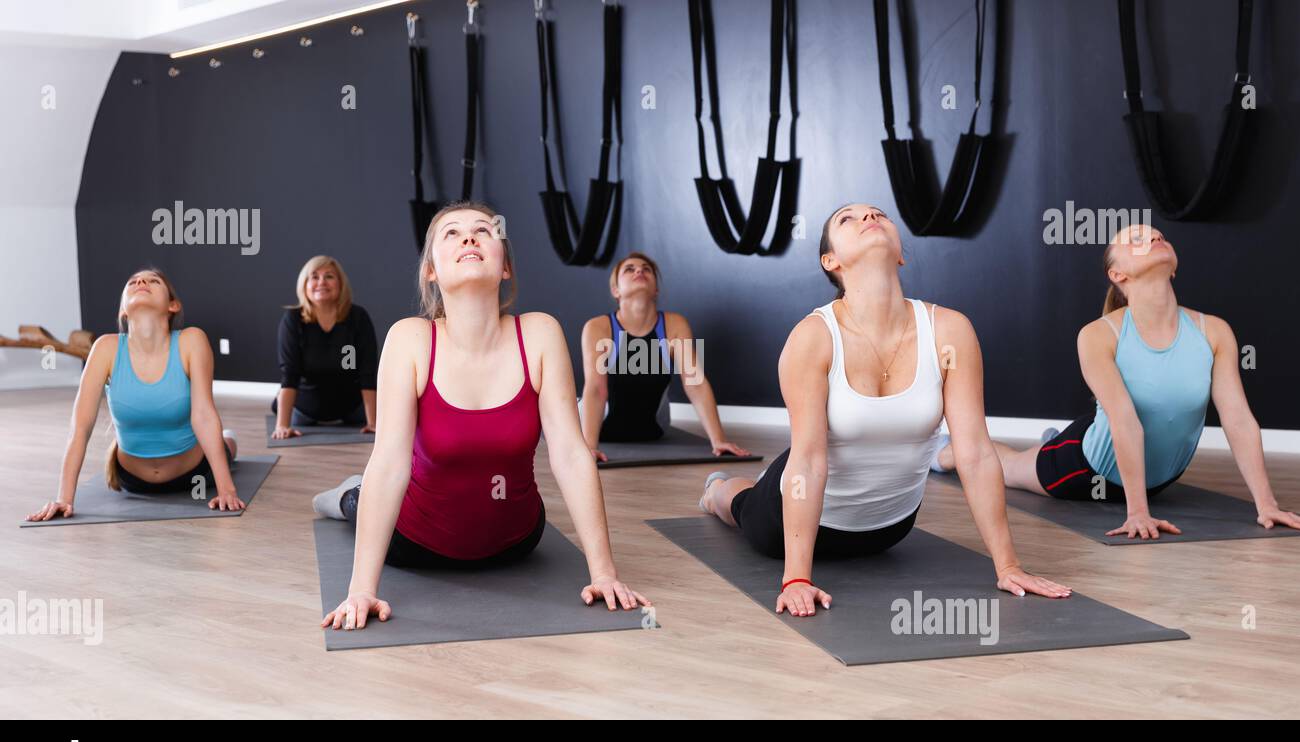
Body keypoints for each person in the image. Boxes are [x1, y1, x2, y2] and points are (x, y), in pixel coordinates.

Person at [699, 203, 1071, 617]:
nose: (868, 218)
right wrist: (797, 578)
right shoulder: (813, 337)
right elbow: (807, 460)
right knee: (743, 506)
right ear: (831, 261)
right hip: (792, 518)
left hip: (888, 528)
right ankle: (717, 489)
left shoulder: (950, 330)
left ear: (900, 254)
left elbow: (977, 453)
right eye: (848, 219)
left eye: (878, 214)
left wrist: (1009, 566)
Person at [314, 202, 651, 632]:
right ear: (431, 271)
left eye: (482, 231)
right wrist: (361, 588)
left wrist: (604, 573)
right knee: (357, 499)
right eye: (450, 233)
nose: (468, 237)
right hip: (415, 540)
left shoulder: (540, 333)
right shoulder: (410, 339)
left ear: (505, 266)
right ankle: (344, 496)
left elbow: (569, 452)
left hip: (515, 542)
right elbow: (389, 462)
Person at [934, 224, 1300, 539]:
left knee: (1071, 437)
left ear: (1173, 267)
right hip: (1089, 466)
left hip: (1157, 477)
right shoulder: (1098, 335)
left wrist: (1266, 504)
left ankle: (1053, 439)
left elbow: (1237, 419)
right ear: (1117, 275)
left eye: (1157, 235)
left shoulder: (1214, 331)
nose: (1153, 236)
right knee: (1011, 470)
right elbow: (1125, 420)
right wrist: (1138, 512)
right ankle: (948, 453)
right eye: (1135, 240)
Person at [26, 267, 242, 521]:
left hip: (195, 474)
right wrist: (64, 498)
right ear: (123, 310)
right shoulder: (105, 348)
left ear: (173, 305)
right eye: (133, 282)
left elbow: (203, 415)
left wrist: (226, 489)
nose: (141, 281)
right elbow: (80, 426)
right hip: (131, 480)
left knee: (226, 444)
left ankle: (229, 439)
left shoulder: (191, 341)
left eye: (154, 281)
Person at [579, 251, 749, 461]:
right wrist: (587, 447)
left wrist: (719, 440)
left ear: (656, 289)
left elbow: (695, 383)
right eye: (629, 269)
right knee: (576, 409)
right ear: (616, 290)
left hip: (653, 428)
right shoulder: (597, 327)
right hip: (600, 425)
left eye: (646, 269)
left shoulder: (675, 325)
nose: (639, 270)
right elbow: (596, 389)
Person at [271, 256, 378, 439]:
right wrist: (282, 426)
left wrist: (374, 423)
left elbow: (367, 373)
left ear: (340, 284)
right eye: (314, 277)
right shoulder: (293, 319)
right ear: (304, 284)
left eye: (329, 276)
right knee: (283, 405)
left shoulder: (357, 317)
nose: (321, 282)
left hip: (351, 410)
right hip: (305, 412)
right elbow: (290, 374)